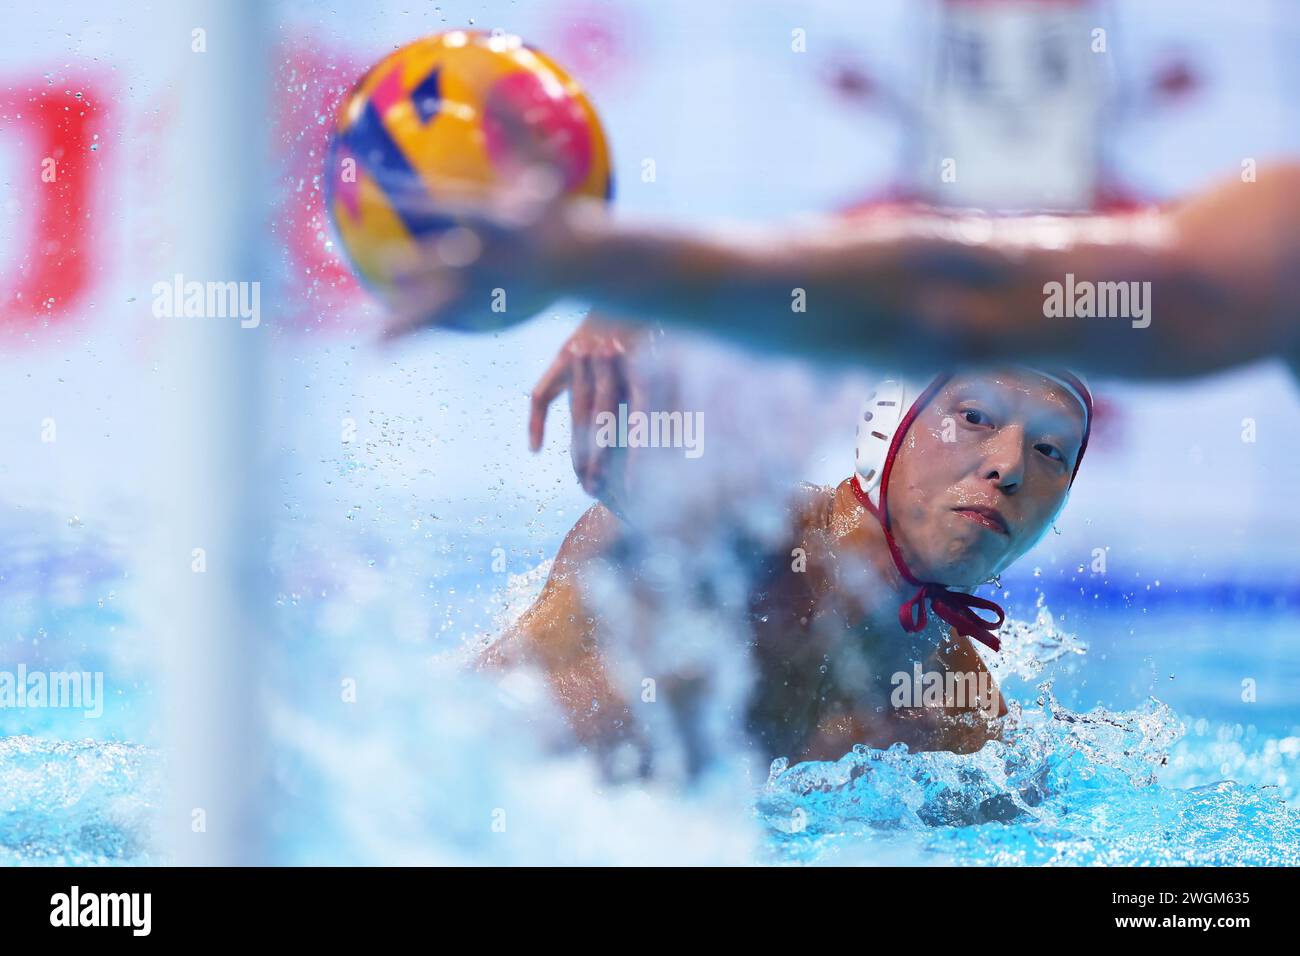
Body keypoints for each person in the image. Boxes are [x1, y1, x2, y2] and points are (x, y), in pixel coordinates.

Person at [481, 366, 1092, 774]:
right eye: (976, 418)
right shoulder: (732, 542)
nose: (1009, 467)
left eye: (1049, 451)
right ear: (892, 419)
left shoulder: (957, 717)